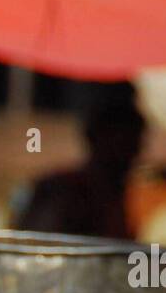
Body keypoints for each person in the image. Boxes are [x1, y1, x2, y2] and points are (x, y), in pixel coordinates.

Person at [16, 94, 146, 240]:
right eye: (123, 143)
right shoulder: (64, 189)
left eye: (135, 143)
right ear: (97, 138)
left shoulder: (118, 195)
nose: (132, 153)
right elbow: (36, 243)